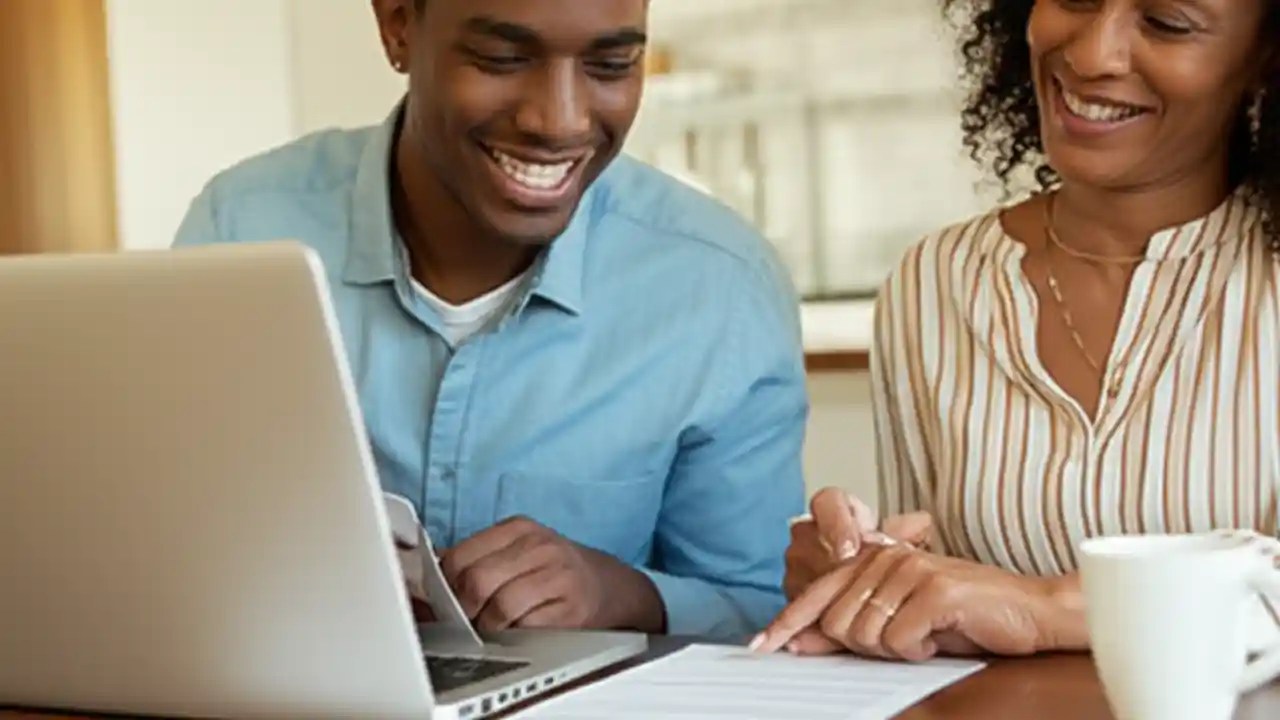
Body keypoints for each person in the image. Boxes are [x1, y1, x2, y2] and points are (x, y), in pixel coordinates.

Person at [172, 0, 807, 641]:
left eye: (611, 65)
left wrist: (623, 594)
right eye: (501, 59)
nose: (558, 120)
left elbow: (761, 610)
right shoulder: (244, 230)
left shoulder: (719, 287)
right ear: (397, 26)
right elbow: (166, 537)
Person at [755, 0, 1280, 660]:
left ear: (1265, 54)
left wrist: (1050, 610)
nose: (1092, 54)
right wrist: (867, 583)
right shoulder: (936, 282)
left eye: (1167, 23)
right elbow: (942, 613)